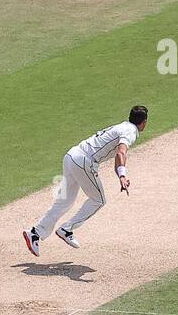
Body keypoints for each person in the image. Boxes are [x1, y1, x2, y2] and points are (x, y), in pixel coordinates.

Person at [23, 106, 148, 255]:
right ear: (144, 122)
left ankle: (35, 233)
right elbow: (121, 152)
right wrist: (122, 175)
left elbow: (117, 156)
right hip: (84, 161)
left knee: (65, 201)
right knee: (99, 200)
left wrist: (120, 175)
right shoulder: (131, 131)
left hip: (71, 155)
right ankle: (66, 229)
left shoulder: (122, 126)